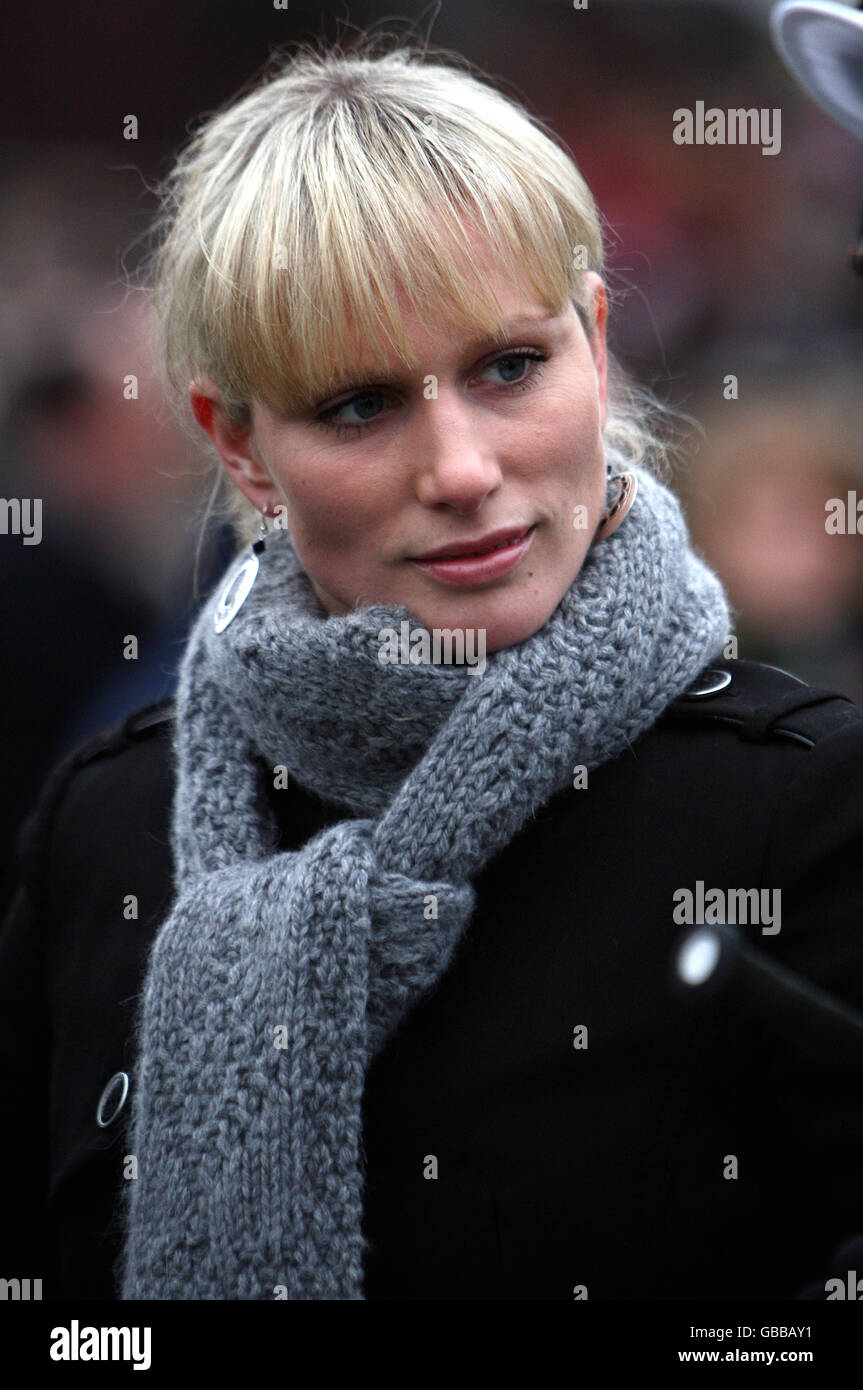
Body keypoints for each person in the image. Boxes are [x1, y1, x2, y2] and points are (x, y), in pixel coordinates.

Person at [2, 36, 863, 1303]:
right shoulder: (103, 828)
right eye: (358, 404)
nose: (459, 468)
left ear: (596, 336)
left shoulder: (808, 811)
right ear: (237, 447)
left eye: (508, 367)